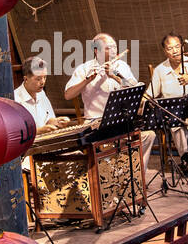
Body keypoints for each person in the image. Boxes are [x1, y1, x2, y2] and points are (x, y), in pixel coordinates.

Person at [64, 32, 154, 170]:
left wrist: (115, 76)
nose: (114, 50)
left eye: (115, 46)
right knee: (111, 143)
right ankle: (117, 175)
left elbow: (136, 89)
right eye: (109, 48)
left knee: (148, 136)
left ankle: (135, 175)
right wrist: (86, 81)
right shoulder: (84, 69)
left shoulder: (122, 66)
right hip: (95, 122)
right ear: (96, 50)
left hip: (120, 121)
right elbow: (68, 95)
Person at [147, 33, 188, 173]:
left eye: (177, 47)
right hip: (173, 110)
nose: (174, 51)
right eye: (170, 48)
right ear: (165, 51)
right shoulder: (160, 70)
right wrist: (144, 100)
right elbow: (151, 93)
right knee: (174, 120)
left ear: (182, 47)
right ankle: (186, 157)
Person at [15, 55, 73, 135]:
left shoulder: (41, 93)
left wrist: (57, 121)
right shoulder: (15, 99)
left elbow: (47, 120)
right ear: (26, 79)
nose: (43, 82)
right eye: (38, 79)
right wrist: (38, 131)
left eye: (45, 77)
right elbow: (17, 134)